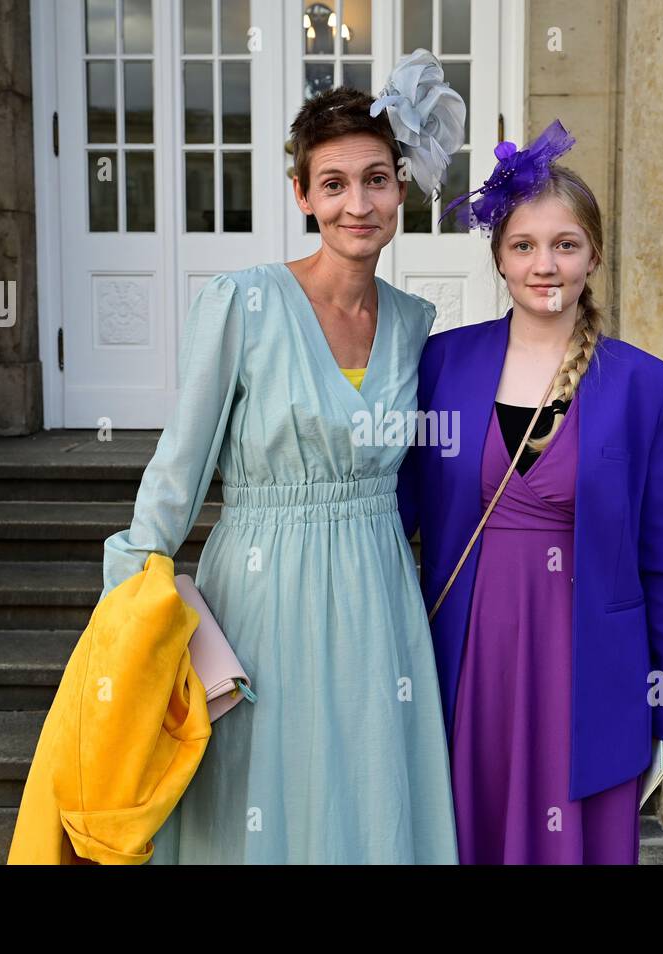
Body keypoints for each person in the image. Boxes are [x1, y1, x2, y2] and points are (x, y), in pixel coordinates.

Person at [101, 51, 466, 863]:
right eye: (333, 184)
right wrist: (131, 604)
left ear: (400, 189)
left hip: (378, 591)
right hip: (261, 594)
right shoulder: (243, 301)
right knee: (260, 795)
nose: (357, 203)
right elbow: (180, 466)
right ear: (302, 195)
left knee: (368, 787)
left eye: (376, 180)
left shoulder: (413, 322)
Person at [398, 121, 663, 864]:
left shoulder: (645, 385)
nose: (545, 265)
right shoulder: (440, 364)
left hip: (592, 659)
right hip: (468, 655)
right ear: (500, 258)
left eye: (565, 245)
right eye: (525, 246)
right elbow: (388, 514)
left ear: (593, 256)